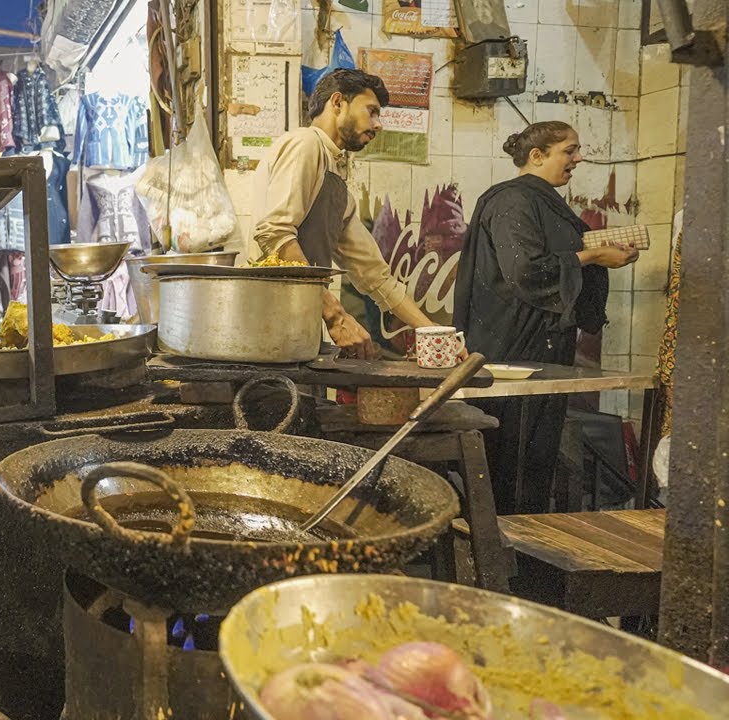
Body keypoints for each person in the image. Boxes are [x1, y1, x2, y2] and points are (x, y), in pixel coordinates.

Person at [453, 121, 639, 514]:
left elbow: (555, 261)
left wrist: (602, 253)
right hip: (511, 351)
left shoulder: (542, 200)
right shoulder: (512, 200)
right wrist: (591, 256)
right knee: (510, 459)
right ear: (537, 156)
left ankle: (527, 550)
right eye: (569, 150)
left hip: (542, 350)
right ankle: (502, 553)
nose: (578, 158)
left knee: (535, 458)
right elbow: (525, 271)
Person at [254, 69, 438, 358]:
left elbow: (375, 276)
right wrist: (337, 317)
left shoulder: (334, 178)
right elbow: (274, 235)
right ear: (337, 102)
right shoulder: (305, 144)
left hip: (300, 330)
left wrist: (434, 333)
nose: (377, 125)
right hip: (266, 329)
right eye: (372, 111)